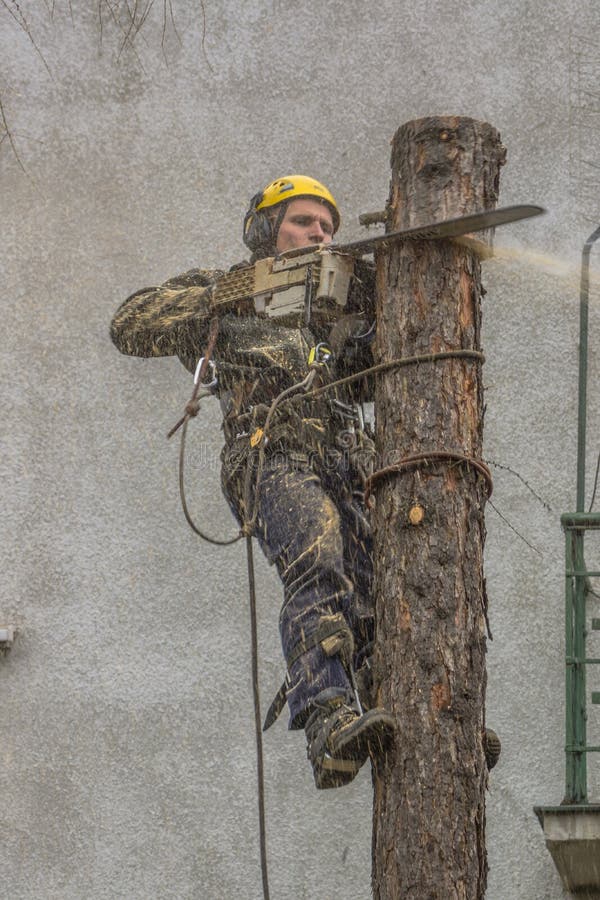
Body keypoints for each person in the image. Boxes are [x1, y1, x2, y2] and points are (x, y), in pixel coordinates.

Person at [110, 174, 398, 789]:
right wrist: (230, 292)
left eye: (326, 227)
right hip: (273, 454)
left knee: (381, 590)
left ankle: (417, 718)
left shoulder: (338, 307)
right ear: (266, 232)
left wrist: (375, 298)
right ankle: (326, 714)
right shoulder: (231, 298)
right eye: (302, 223)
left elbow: (380, 375)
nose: (318, 235)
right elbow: (130, 324)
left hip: (349, 460)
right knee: (318, 559)